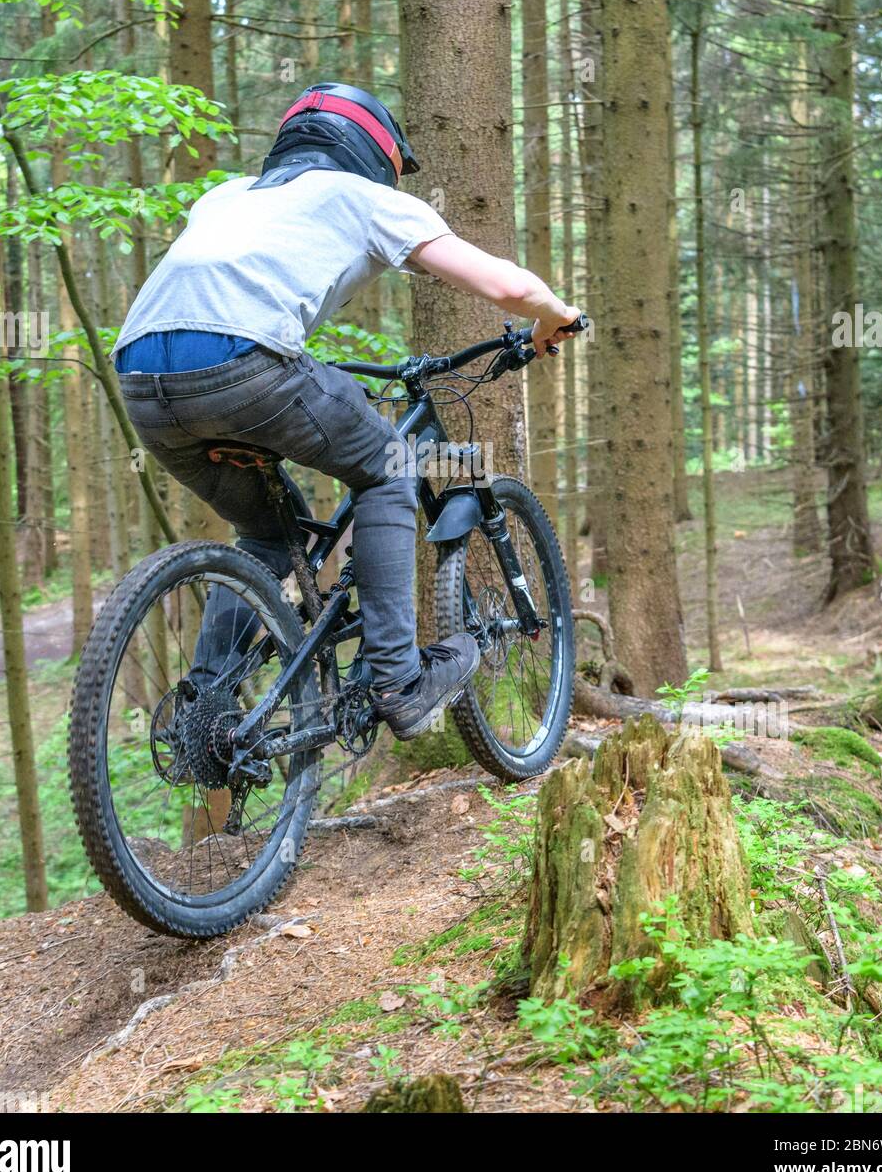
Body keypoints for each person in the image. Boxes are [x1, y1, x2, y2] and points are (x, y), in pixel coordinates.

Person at [114, 81, 580, 738]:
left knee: (269, 536)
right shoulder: (362, 197)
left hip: (140, 379)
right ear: (370, 153)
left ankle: (203, 715)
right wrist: (554, 316)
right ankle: (399, 681)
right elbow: (505, 284)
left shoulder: (223, 195)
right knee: (390, 465)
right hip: (246, 366)